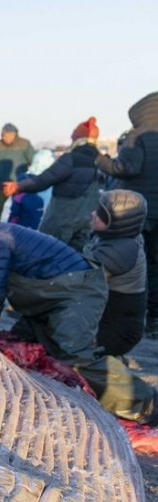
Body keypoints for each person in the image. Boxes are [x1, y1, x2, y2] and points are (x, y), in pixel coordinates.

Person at [0, 196, 157, 423]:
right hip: (51, 300)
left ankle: (147, 403)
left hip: (75, 295)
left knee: (73, 357)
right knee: (18, 342)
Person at [96, 91, 158, 335]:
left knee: (133, 264)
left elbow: (127, 168)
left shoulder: (137, 135)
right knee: (156, 264)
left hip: (138, 211)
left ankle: (132, 317)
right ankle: (155, 319)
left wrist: (101, 161)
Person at [2, 117, 103, 251]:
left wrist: (18, 186)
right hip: (88, 220)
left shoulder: (69, 159)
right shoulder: (103, 161)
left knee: (48, 251)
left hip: (62, 218)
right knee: (79, 255)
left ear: (77, 139)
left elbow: (44, 180)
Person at [84, 190, 148, 356]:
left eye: (101, 214)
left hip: (114, 333)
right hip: (110, 322)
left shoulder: (121, 250)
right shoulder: (120, 237)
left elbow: (79, 280)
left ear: (117, 222)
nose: (93, 214)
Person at [0, 122, 36, 221]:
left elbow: (34, 162)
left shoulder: (24, 144)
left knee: (19, 210)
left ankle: (18, 228)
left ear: (15, 134)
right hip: (0, 185)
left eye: (11, 135)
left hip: (19, 185)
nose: (8, 137)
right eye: (5, 135)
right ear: (2, 135)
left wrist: (34, 182)